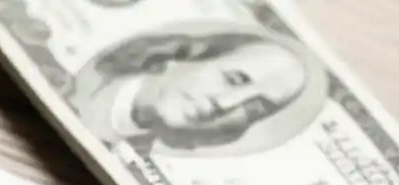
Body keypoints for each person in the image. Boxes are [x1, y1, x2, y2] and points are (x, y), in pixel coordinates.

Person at [75, 32, 310, 153]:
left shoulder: (134, 152)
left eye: (254, 107)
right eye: (234, 80)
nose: (226, 103)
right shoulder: (83, 77)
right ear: (189, 56)